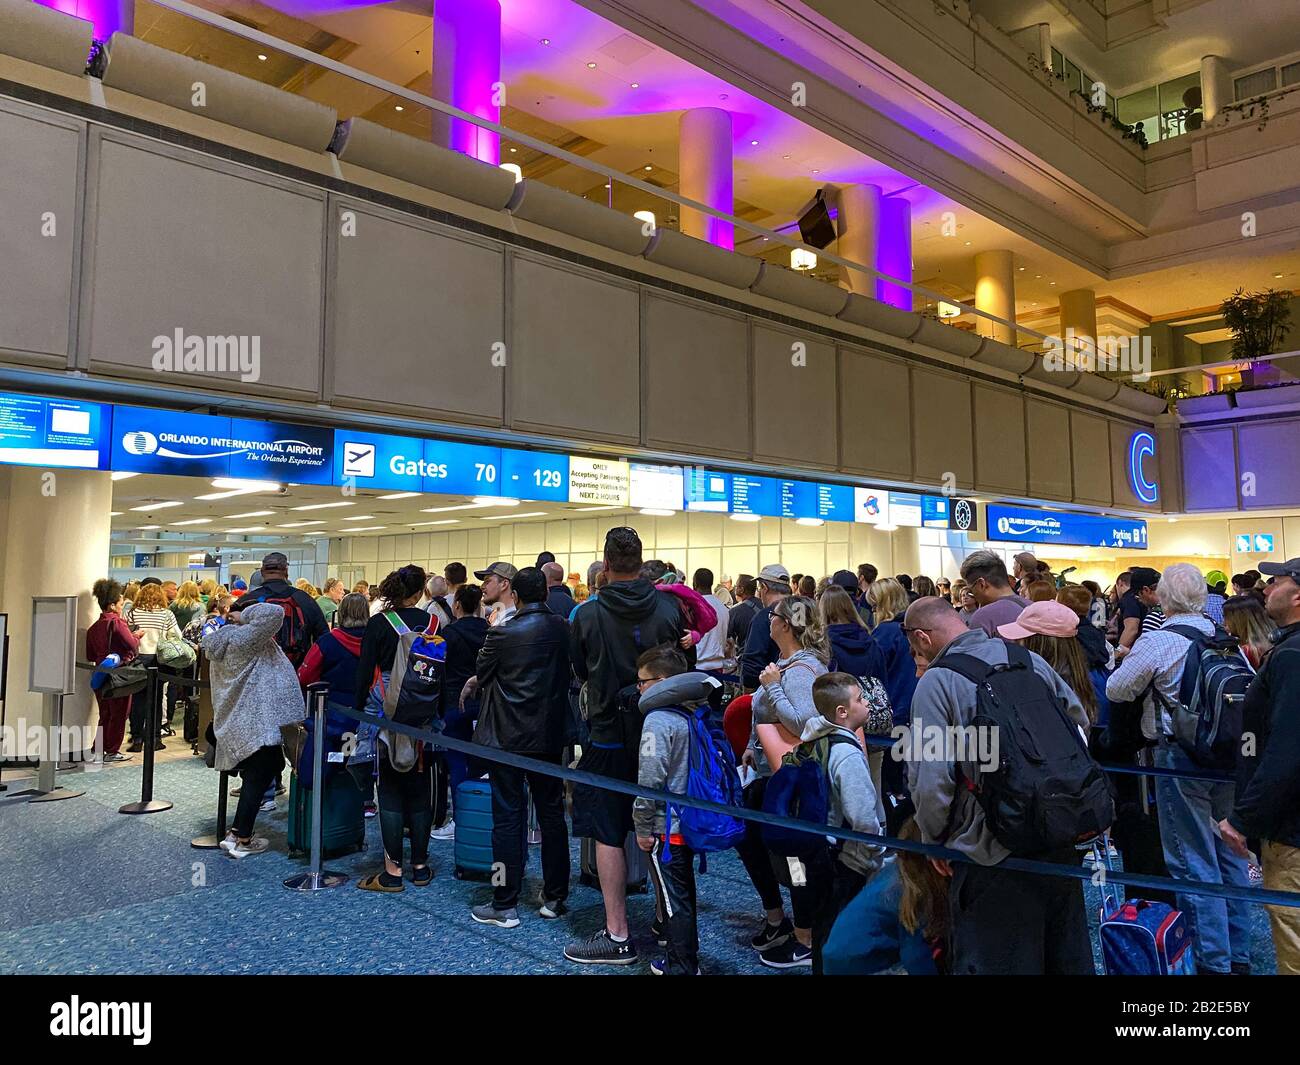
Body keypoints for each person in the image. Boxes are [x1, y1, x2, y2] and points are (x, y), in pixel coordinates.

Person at [904, 596, 1094, 974]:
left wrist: (933, 837)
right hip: (1057, 835)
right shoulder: (1027, 660)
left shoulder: (938, 683)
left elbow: (931, 778)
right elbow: (1079, 725)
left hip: (988, 849)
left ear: (923, 639)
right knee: (1065, 955)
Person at [1106, 563, 1252, 975]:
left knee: (1192, 858)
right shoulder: (1223, 637)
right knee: (1230, 855)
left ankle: (1213, 962)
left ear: (1164, 598)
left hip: (1180, 756)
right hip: (1227, 753)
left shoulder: (1159, 641)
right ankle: (1238, 954)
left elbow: (1118, 688)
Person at [564, 526, 687, 965]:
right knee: (662, 821)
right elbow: (679, 663)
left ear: (607, 562)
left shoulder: (586, 614)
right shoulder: (670, 607)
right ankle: (663, 918)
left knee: (607, 830)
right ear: (640, 559)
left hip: (606, 736)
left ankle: (617, 935)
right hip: (662, 730)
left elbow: (578, 667)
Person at [469, 567, 572, 928]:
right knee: (552, 817)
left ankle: (504, 901)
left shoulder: (503, 633)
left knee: (507, 820)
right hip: (547, 735)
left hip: (506, 737)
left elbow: (483, 673)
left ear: (516, 595)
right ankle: (556, 896)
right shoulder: (563, 627)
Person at [1220, 558, 1300, 975]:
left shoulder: (1291, 656)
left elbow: (1287, 749)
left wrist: (1243, 818)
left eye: (1276, 581)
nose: (1266, 588)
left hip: (1291, 832)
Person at [741, 594, 829, 969]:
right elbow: (761, 712)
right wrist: (749, 745)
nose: (768, 621)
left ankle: (805, 934)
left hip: (791, 784)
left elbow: (804, 725)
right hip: (769, 779)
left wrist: (775, 687)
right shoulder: (784, 665)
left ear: (787, 624)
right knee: (753, 843)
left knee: (795, 859)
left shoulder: (802, 670)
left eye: (774, 616)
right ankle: (778, 918)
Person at [353, 566, 442, 892]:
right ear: (420, 593)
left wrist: (359, 708)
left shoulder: (379, 623)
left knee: (389, 789)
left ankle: (392, 871)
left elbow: (365, 672)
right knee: (419, 791)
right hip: (423, 716)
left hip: (385, 711)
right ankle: (420, 866)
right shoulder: (434, 623)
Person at [632, 647, 716, 975]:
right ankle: (685, 957)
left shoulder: (657, 720)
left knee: (672, 900)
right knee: (683, 893)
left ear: (662, 681)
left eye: (643, 682)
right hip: (689, 819)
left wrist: (642, 826)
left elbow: (650, 778)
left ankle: (682, 965)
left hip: (665, 826)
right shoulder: (691, 714)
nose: (638, 688)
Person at [800, 672, 884, 973]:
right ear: (842, 712)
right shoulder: (846, 753)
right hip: (844, 860)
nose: (867, 704)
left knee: (824, 924)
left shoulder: (813, 740)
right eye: (860, 699)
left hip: (816, 852)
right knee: (841, 932)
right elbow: (862, 817)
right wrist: (873, 854)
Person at [207, 603, 305, 859]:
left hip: (241, 721)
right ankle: (240, 837)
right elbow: (273, 613)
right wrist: (244, 615)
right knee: (262, 770)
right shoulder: (243, 638)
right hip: (256, 722)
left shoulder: (223, 642)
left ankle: (237, 834)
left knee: (260, 771)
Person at [822, 818, 948, 975]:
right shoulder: (915, 892)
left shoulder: (898, 872)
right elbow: (916, 959)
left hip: (839, 956)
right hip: (859, 965)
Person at [435, 583, 488, 838]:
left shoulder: (448, 634)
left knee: (456, 763)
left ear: (457, 606)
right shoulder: (490, 632)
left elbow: (437, 671)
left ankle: (460, 818)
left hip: (454, 704)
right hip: (484, 705)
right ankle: (480, 816)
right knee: (480, 763)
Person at [997, 601, 1100, 726]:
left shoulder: (1040, 684)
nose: (1014, 642)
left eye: (1020, 638)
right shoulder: (1076, 674)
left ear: (1040, 643)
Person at [229, 552, 328, 667]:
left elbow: (229, 639)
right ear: (286, 571)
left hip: (254, 674)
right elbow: (323, 639)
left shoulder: (245, 602)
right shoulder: (305, 600)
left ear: (262, 572)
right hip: (296, 672)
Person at [86, 579, 141, 763]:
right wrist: (136, 637)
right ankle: (112, 751)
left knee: (105, 713)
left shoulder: (94, 627)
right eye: (120, 603)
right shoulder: (117, 623)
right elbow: (132, 646)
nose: (121, 606)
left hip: (99, 672)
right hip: (118, 672)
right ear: (112, 604)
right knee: (119, 714)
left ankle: (98, 748)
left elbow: (90, 654)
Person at [125, 581, 183, 752]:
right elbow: (176, 635)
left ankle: (137, 739)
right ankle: (155, 738)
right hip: (159, 659)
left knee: (138, 700)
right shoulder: (167, 614)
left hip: (138, 658)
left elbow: (127, 634)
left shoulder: (133, 613)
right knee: (157, 699)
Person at [741, 564, 792, 690]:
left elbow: (752, 665)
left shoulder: (764, 618)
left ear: (764, 587)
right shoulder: (803, 612)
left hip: (770, 692)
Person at [960, 550, 1030, 637]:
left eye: (971, 590)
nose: (973, 595)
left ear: (982, 584)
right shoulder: (1034, 607)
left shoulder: (983, 617)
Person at [691, 567, 733, 677]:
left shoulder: (693, 606)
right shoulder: (723, 608)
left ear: (695, 583)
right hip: (718, 669)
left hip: (697, 668)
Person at [1221, 593, 1273, 669]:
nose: (1224, 623)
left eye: (1226, 617)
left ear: (1238, 620)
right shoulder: (1276, 641)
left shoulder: (1245, 651)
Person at [476, 561, 518, 627]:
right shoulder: (501, 618)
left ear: (504, 584)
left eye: (487, 581)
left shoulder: (510, 621)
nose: (482, 587)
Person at [727, 574, 760, 651]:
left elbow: (727, 637)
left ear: (742, 589)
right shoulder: (764, 606)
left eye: (736, 585)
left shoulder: (735, 611)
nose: (735, 587)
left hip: (745, 656)